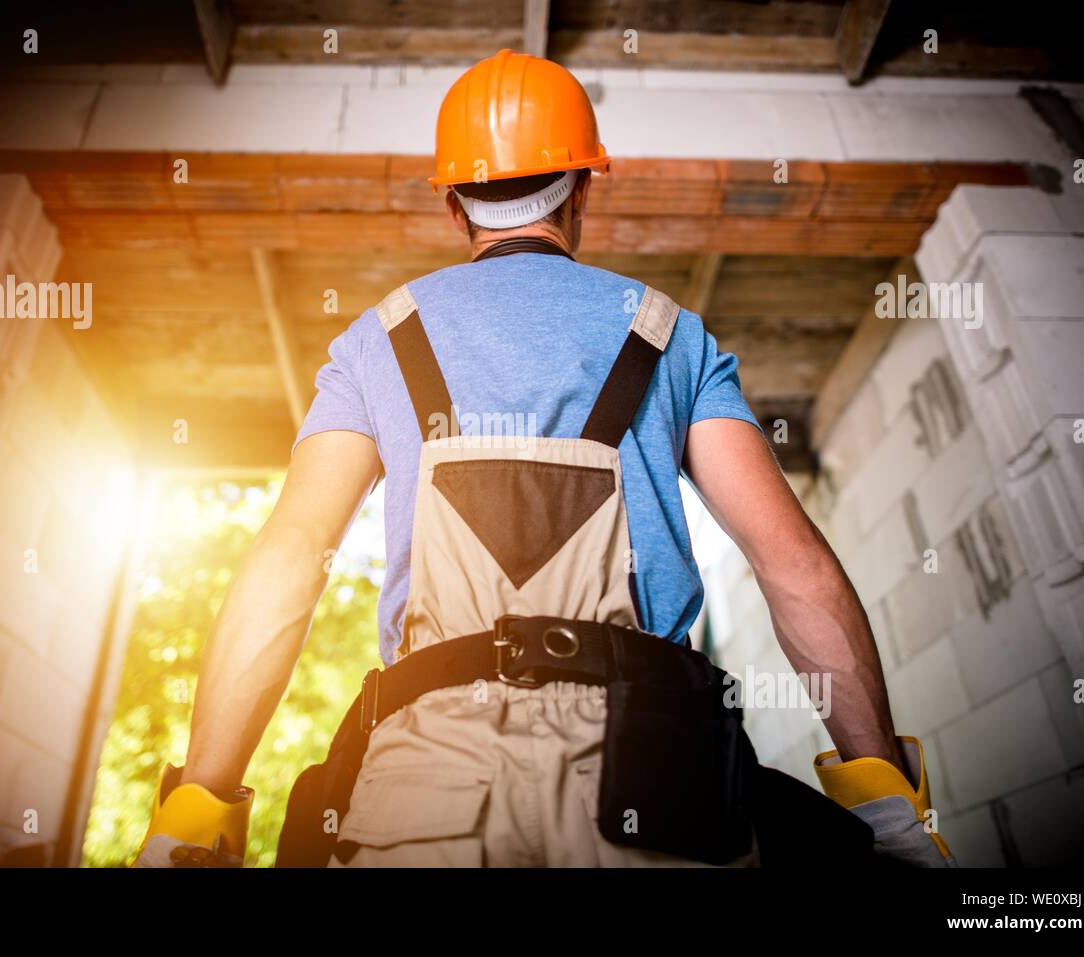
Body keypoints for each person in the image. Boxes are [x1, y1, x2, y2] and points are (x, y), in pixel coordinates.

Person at [135, 49, 955, 869]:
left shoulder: (376, 344)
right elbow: (791, 565)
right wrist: (883, 798)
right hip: (659, 787)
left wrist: (198, 803)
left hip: (423, 793)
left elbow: (288, 561)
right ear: (583, 191)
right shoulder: (669, 336)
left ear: (456, 207)